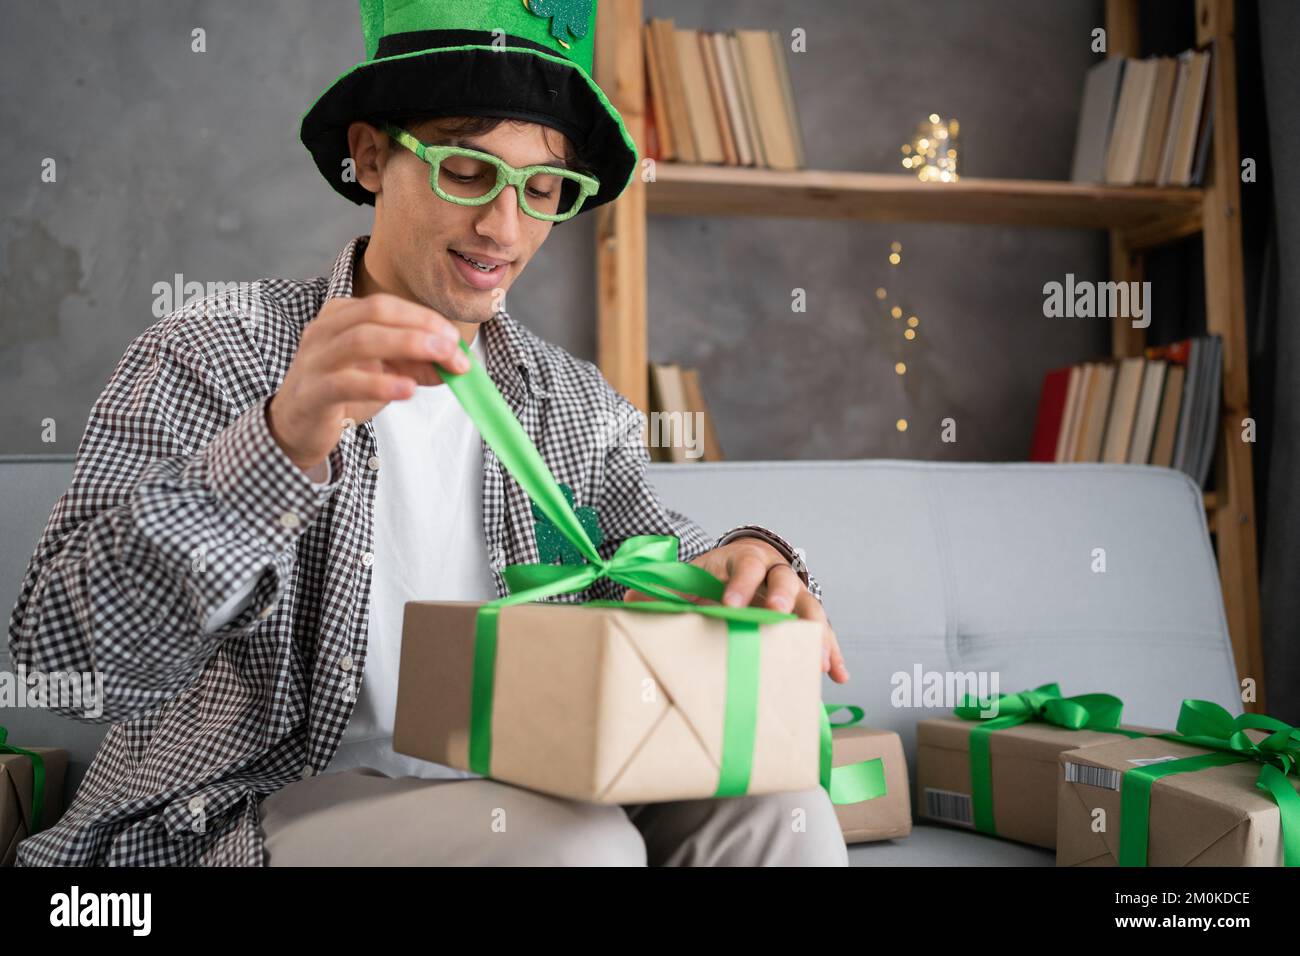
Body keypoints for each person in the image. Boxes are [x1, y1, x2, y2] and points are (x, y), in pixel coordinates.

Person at [8, 0, 849, 866]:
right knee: (576, 847)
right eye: (467, 171)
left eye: (542, 188)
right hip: (253, 813)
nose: (504, 229)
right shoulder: (210, 351)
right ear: (372, 155)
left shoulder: (570, 400)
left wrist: (738, 561)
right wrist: (279, 446)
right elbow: (65, 664)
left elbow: (652, 555)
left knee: (785, 812)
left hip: (534, 782)